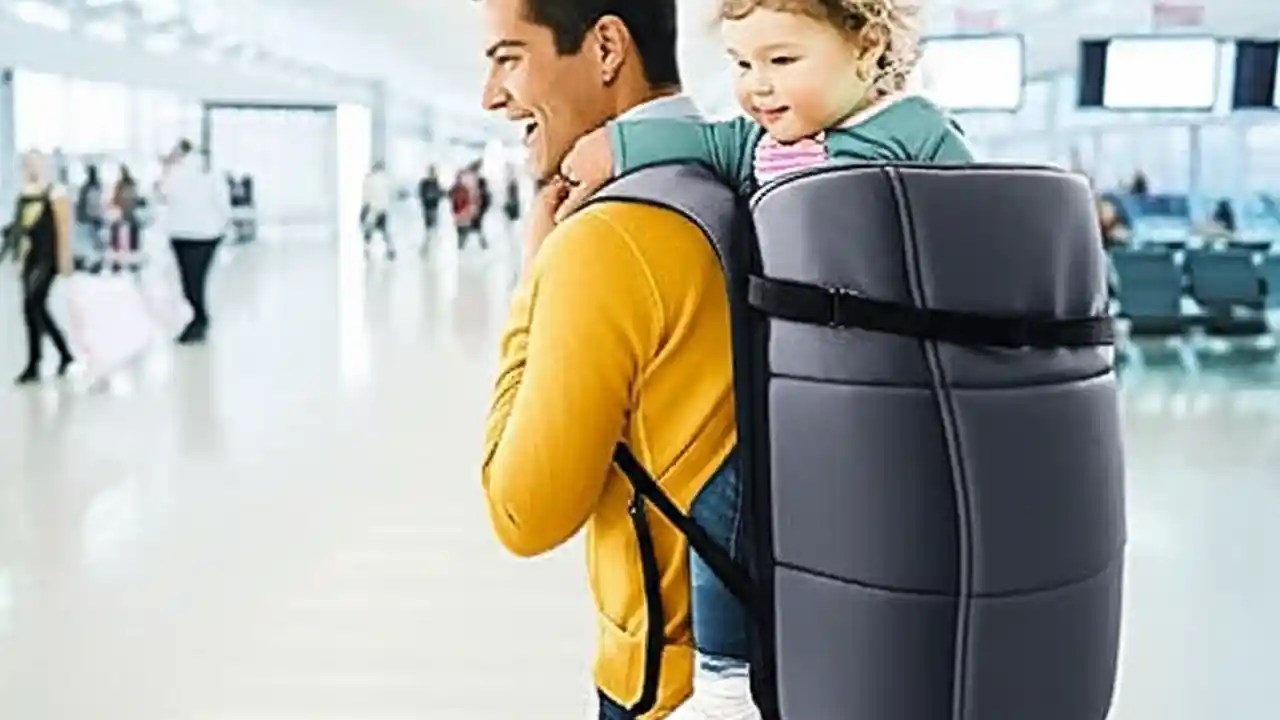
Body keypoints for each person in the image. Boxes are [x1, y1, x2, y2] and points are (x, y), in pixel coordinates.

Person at [478, 0, 747, 717]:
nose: (492, 96)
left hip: (665, 686)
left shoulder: (606, 239)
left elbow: (521, 512)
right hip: (759, 661)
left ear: (605, 48)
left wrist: (533, 284)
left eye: (509, 58)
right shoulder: (730, 184)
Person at [558, 0, 972, 217]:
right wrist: (609, 147)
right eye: (742, 64)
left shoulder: (915, 129)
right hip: (791, 357)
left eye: (781, 61)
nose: (757, 84)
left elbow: (985, 219)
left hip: (898, 352)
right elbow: (696, 138)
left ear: (867, 46)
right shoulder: (756, 143)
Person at [11, 150, 75, 385]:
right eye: (27, 163)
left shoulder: (55, 191)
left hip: (48, 257)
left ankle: (36, 362)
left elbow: (63, 227)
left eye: (35, 163)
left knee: (33, 303)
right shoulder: (24, 193)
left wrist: (65, 259)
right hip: (30, 257)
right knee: (33, 308)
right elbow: (20, 229)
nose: (31, 167)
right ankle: (61, 354)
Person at [158, 140, 230, 345]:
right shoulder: (207, 172)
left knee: (190, 284)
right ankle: (200, 319)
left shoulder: (179, 172)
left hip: (190, 235)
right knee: (194, 283)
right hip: (202, 235)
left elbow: (163, 194)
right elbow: (223, 204)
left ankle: (200, 320)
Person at [74, 164, 106, 270]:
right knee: (94, 241)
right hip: (95, 218)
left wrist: (79, 216)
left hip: (87, 218)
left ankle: (90, 261)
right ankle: (96, 261)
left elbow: (83, 203)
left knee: (88, 241)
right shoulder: (98, 186)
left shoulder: (86, 187)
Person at [361, 162, 395, 259]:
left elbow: (366, 196)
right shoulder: (385, 180)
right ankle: (390, 249)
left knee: (369, 231)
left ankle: (366, 249)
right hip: (382, 209)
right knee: (384, 231)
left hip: (372, 209)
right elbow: (389, 194)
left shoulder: (369, 179)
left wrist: (366, 206)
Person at [418, 165, 443, 252]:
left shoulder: (432, 183)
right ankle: (428, 246)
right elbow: (422, 194)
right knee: (430, 227)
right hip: (430, 208)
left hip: (431, 207)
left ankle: (429, 246)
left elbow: (439, 194)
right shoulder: (429, 183)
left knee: (431, 227)